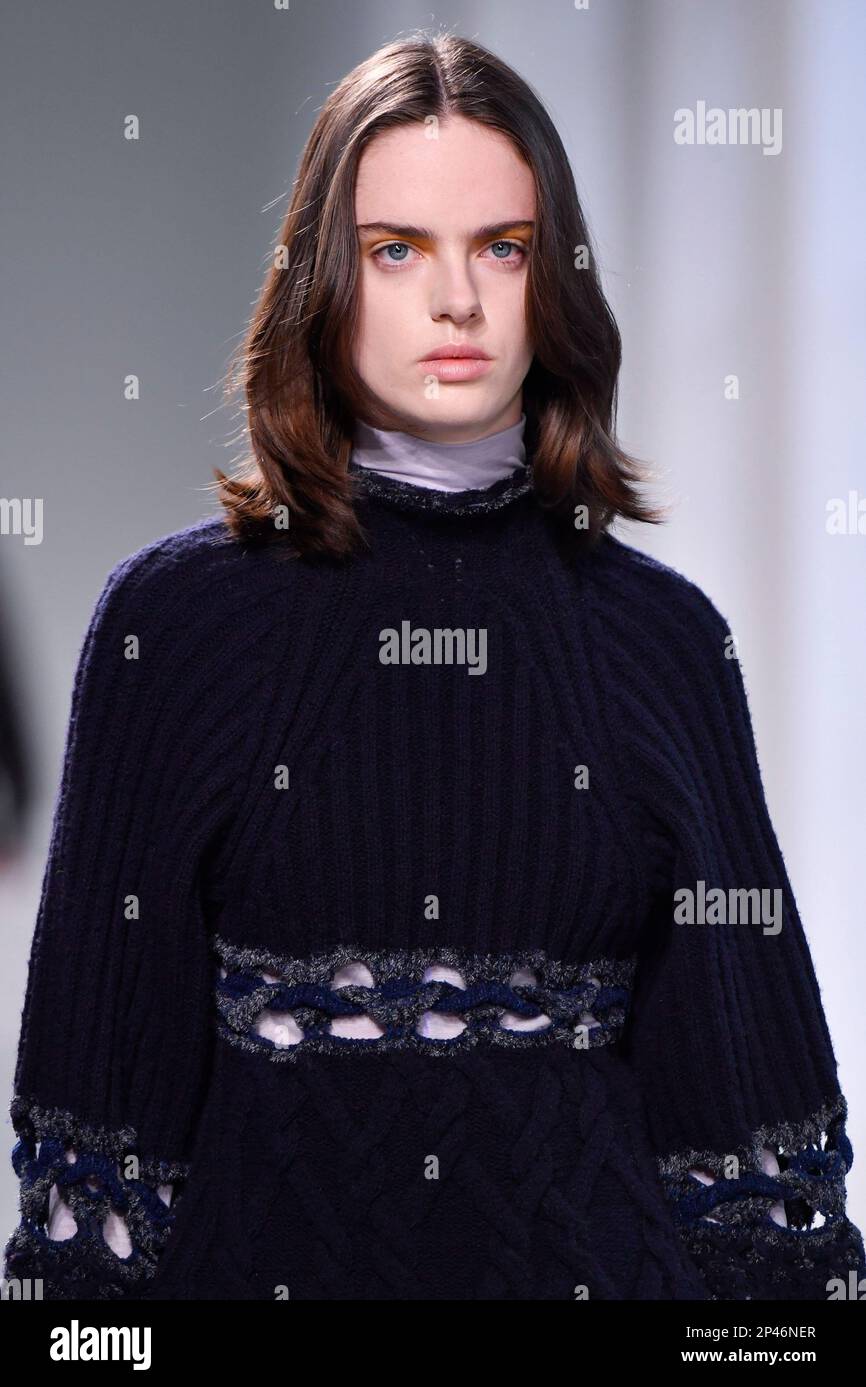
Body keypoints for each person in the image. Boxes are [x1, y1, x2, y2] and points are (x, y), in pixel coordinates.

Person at [4, 32, 864, 1302]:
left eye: (501, 247)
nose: (455, 300)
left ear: (553, 278)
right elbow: (96, 1159)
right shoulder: (172, 632)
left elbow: (751, 1158)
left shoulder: (662, 644)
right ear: (320, 278)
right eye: (395, 249)